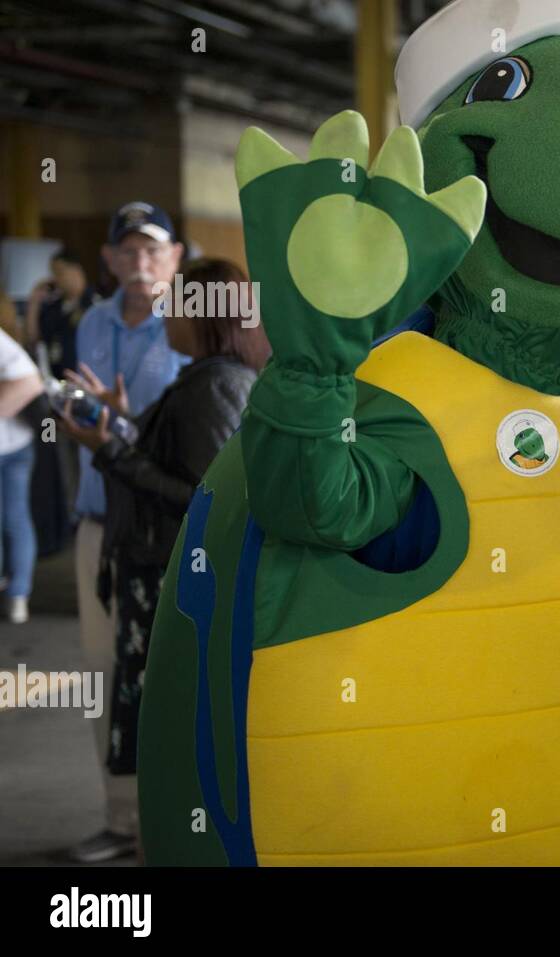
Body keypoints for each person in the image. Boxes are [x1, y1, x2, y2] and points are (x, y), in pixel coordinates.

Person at [59, 257, 268, 852]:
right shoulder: (209, 378)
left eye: (177, 304)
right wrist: (122, 426)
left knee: (170, 731)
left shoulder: (214, 385)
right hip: (156, 579)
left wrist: (112, 451)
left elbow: (204, 502)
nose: (166, 313)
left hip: (165, 584)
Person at [63, 201, 189, 863]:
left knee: (162, 671)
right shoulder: (91, 324)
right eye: (129, 251)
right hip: (98, 520)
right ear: (109, 260)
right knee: (101, 667)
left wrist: (117, 426)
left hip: (159, 529)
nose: (141, 263)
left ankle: (165, 821)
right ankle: (120, 818)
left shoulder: (192, 330)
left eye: (154, 250)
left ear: (175, 258)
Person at [0, 326, 44, 623]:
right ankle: (18, 596)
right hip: (18, 440)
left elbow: (31, 381)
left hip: (13, 445)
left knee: (14, 518)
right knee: (17, 518)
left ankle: (16, 593)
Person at [23, 251, 95, 377]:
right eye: (53, 273)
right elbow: (34, 341)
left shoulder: (95, 305)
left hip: (83, 378)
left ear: (76, 270)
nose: (55, 279)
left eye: (59, 272)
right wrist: (34, 303)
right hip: (54, 378)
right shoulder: (53, 308)